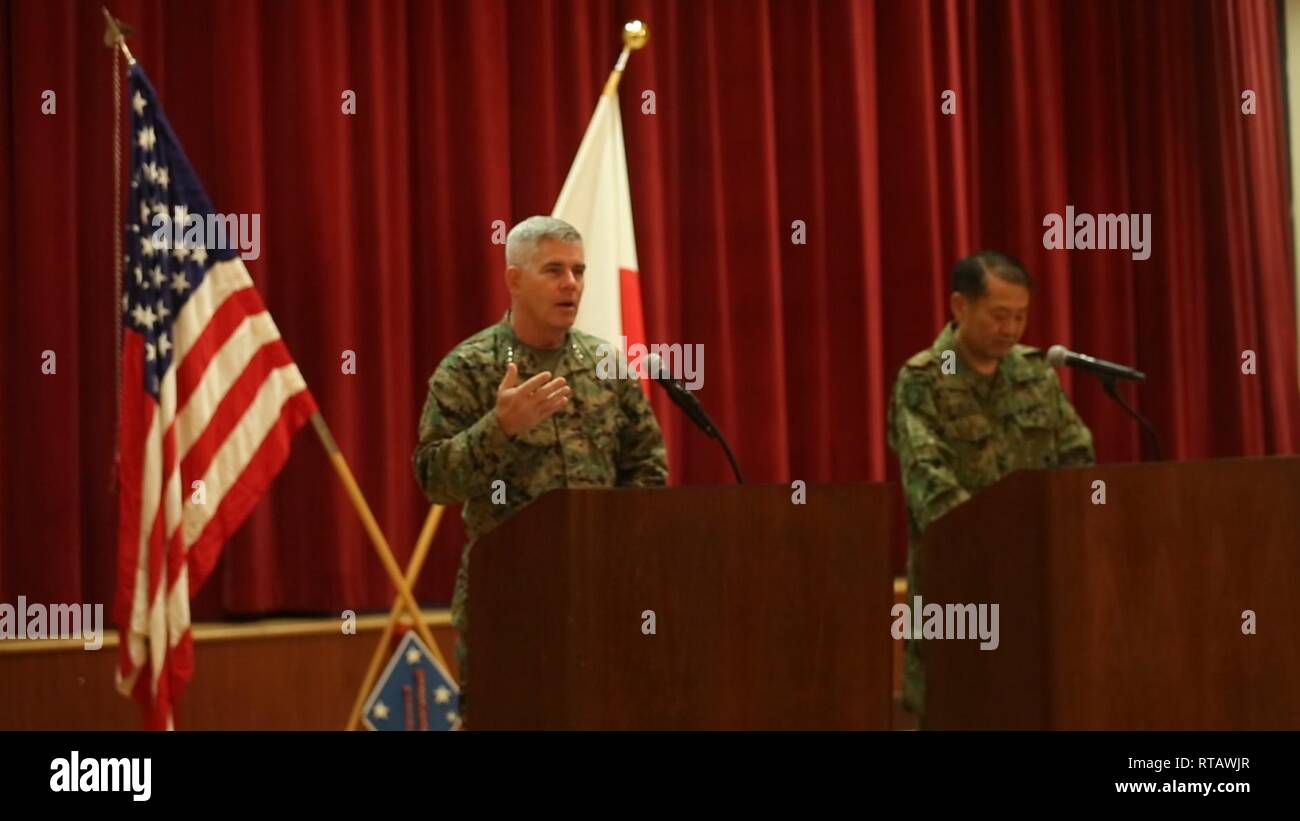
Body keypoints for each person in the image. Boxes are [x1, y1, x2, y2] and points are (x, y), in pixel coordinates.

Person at [412, 215, 668, 721]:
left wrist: (622, 549)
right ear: (514, 279)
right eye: (554, 270)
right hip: (508, 601)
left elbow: (647, 470)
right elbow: (434, 479)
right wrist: (499, 428)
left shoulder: (606, 366)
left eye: (578, 270)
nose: (570, 283)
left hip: (602, 595)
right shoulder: (470, 368)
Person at [886, 250, 1095, 726]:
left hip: (1039, 590)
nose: (1011, 329)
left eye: (1020, 316)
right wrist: (1002, 547)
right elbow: (930, 490)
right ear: (960, 307)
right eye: (1000, 316)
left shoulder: (1035, 373)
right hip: (960, 592)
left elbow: (1076, 461)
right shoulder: (923, 381)